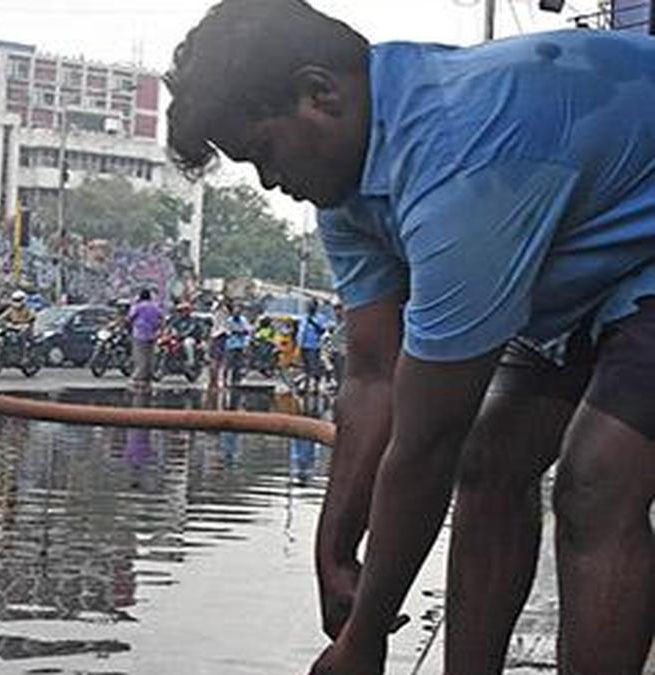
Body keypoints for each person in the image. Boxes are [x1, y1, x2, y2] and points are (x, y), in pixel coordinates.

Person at [167, 2, 655, 674]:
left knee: (597, 477)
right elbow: (373, 377)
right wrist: (335, 546)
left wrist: (363, 637)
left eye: (265, 153)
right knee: (488, 461)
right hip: (595, 260)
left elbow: (426, 438)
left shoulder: (462, 155)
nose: (272, 181)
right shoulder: (345, 185)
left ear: (320, 94)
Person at [128, 289, 163, 385]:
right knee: (150, 356)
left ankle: (138, 376)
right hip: (152, 334)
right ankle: (149, 375)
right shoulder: (155, 306)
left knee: (140, 356)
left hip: (139, 333)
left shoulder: (138, 306)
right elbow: (161, 317)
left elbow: (130, 317)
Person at [297, 299, 326, 393]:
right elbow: (300, 330)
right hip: (303, 345)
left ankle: (315, 386)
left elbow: (322, 331)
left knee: (313, 365)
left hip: (313, 345)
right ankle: (305, 385)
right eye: (308, 305)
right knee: (305, 367)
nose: (309, 307)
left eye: (311, 305)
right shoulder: (303, 317)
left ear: (315, 307)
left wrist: (312, 322)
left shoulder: (320, 318)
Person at [167, 301, 202, 368]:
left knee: (187, 343)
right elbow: (171, 327)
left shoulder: (192, 320)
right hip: (178, 338)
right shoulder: (176, 320)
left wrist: (182, 335)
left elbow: (190, 329)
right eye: (180, 311)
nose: (182, 312)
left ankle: (190, 361)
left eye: (184, 310)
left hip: (190, 338)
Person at [208, 297, 230, 388]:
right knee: (216, 360)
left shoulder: (225, 311)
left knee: (222, 360)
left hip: (222, 335)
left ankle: (221, 380)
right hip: (217, 336)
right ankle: (214, 380)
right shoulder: (216, 310)